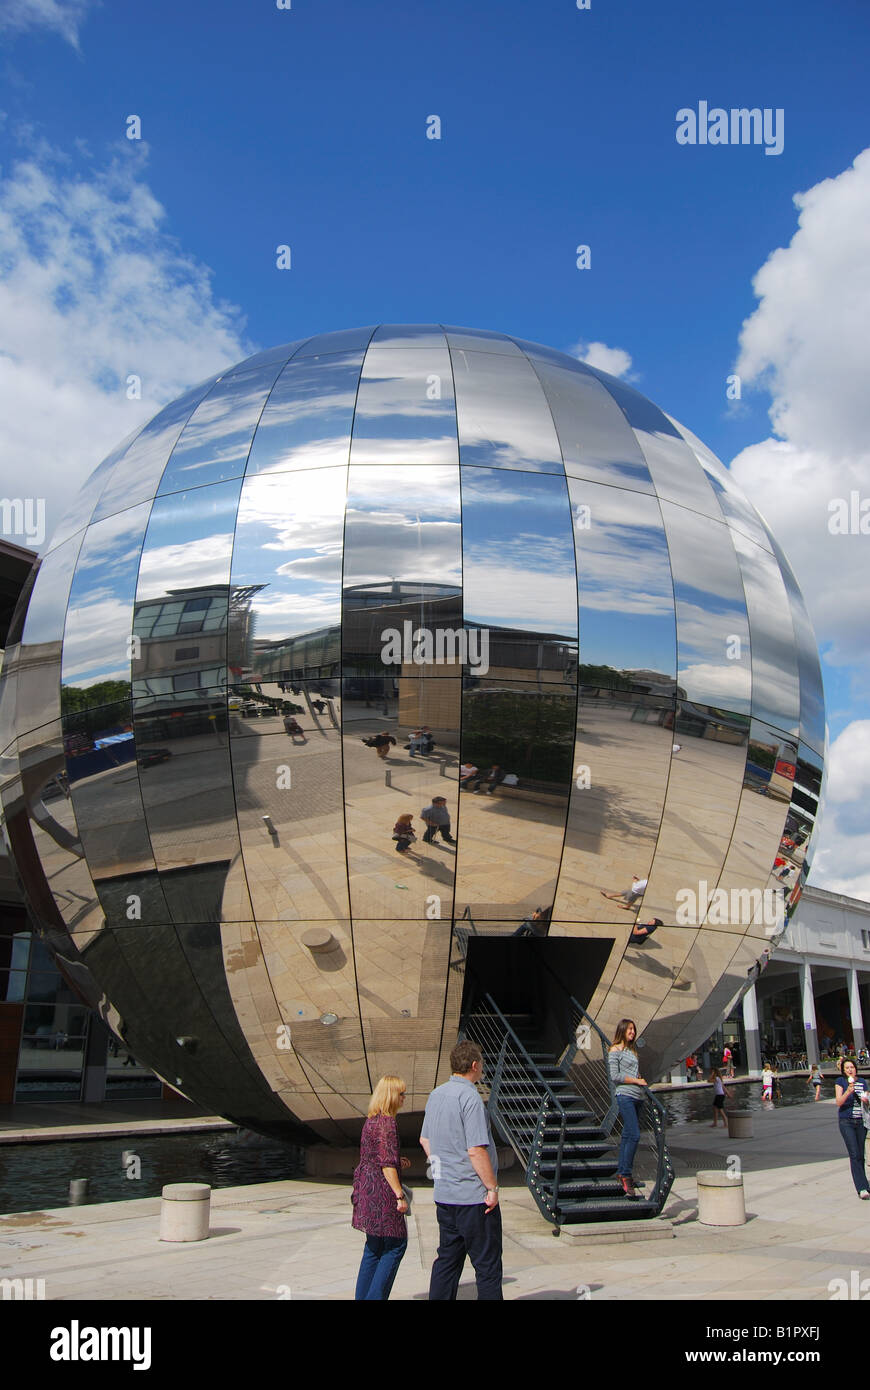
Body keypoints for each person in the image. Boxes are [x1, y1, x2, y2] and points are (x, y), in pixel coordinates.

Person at [420, 1040, 502, 1300]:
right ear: (475, 1066)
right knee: (487, 1267)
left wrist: (444, 1170)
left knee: (447, 1261)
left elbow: (425, 1140)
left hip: (445, 1196)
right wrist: (491, 1187)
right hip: (473, 1198)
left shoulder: (436, 1095)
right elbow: (476, 1150)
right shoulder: (471, 1098)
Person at [351, 1075, 411, 1299]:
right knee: (396, 1245)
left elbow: (376, 1156)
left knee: (374, 1247)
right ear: (391, 1096)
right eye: (401, 1094)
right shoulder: (388, 1123)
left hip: (367, 1192)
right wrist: (400, 1195)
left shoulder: (371, 1120)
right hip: (383, 1196)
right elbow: (386, 1165)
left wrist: (397, 1160)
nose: (404, 1098)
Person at [608, 1019, 648, 1198]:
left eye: (634, 1029)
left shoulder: (632, 1050)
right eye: (630, 1029)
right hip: (625, 1095)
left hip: (638, 1096)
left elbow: (633, 1072)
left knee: (626, 1135)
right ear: (622, 1030)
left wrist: (638, 1078)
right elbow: (615, 1076)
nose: (633, 1032)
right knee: (634, 1134)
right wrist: (636, 1080)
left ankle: (622, 1172)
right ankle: (626, 1175)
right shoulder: (614, 1050)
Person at [834, 1058, 870, 1199]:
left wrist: (866, 1098)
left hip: (861, 1121)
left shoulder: (862, 1082)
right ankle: (862, 1188)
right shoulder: (840, 1082)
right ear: (843, 1070)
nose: (850, 1069)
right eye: (847, 1067)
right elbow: (839, 1102)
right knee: (854, 1154)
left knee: (861, 1154)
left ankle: (865, 1185)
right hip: (846, 1121)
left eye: (852, 1067)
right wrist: (848, 1091)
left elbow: (867, 1097)